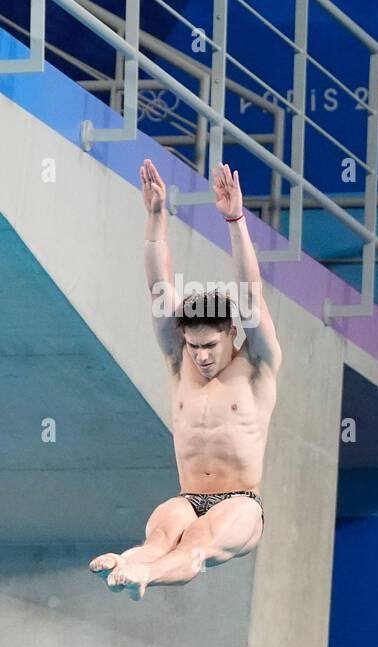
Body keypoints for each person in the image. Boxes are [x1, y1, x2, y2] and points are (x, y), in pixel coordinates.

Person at [89, 159, 282, 600]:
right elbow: (158, 286)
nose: (202, 357)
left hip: (240, 504)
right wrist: (156, 217)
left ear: (232, 333)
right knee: (159, 536)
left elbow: (250, 291)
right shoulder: (180, 363)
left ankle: (145, 576)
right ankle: (132, 561)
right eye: (194, 347)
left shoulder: (257, 365)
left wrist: (234, 220)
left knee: (194, 546)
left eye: (210, 347)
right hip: (188, 496)